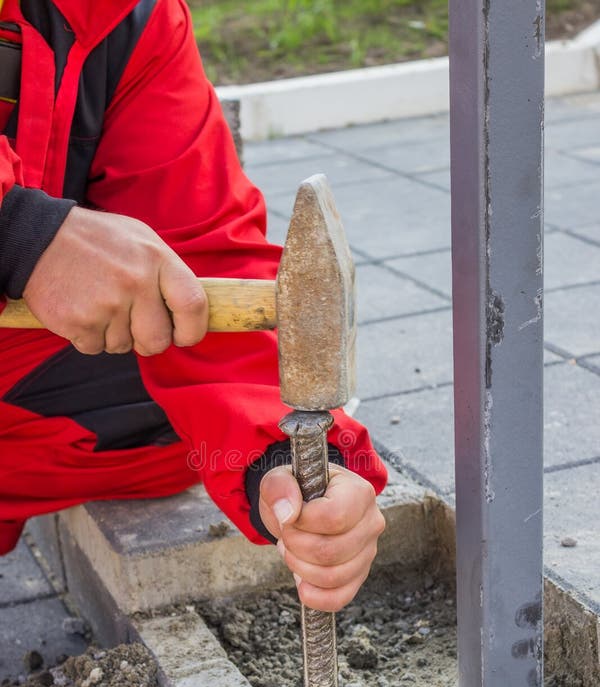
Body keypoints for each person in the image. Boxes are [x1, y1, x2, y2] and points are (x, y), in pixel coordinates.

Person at [0, 0, 388, 613]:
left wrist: (280, 457)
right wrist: (18, 232)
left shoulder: (122, 17)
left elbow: (201, 254)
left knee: (172, 435)